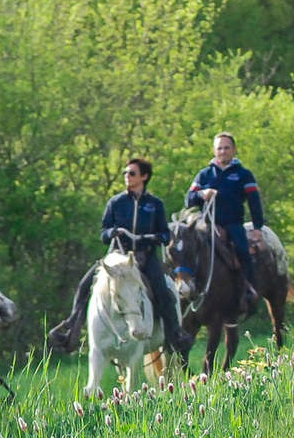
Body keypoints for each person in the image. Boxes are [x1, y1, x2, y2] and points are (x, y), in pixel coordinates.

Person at [47, 158, 191, 355]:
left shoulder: (155, 204)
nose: (127, 177)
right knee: (84, 285)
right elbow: (103, 233)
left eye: (132, 173)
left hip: (146, 258)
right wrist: (111, 233)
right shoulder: (116, 202)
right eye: (125, 173)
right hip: (117, 258)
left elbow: (166, 235)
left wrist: (153, 237)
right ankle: (71, 330)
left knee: (163, 291)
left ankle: (175, 334)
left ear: (144, 177)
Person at [185, 132, 265, 313]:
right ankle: (188, 290)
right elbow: (188, 200)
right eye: (219, 148)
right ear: (214, 151)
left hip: (233, 224)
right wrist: (201, 194)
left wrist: (258, 227)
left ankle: (250, 291)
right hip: (207, 225)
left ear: (234, 150)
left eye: (226, 147)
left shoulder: (243, 175)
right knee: (187, 250)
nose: (223, 151)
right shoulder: (204, 175)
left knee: (243, 251)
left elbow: (254, 201)